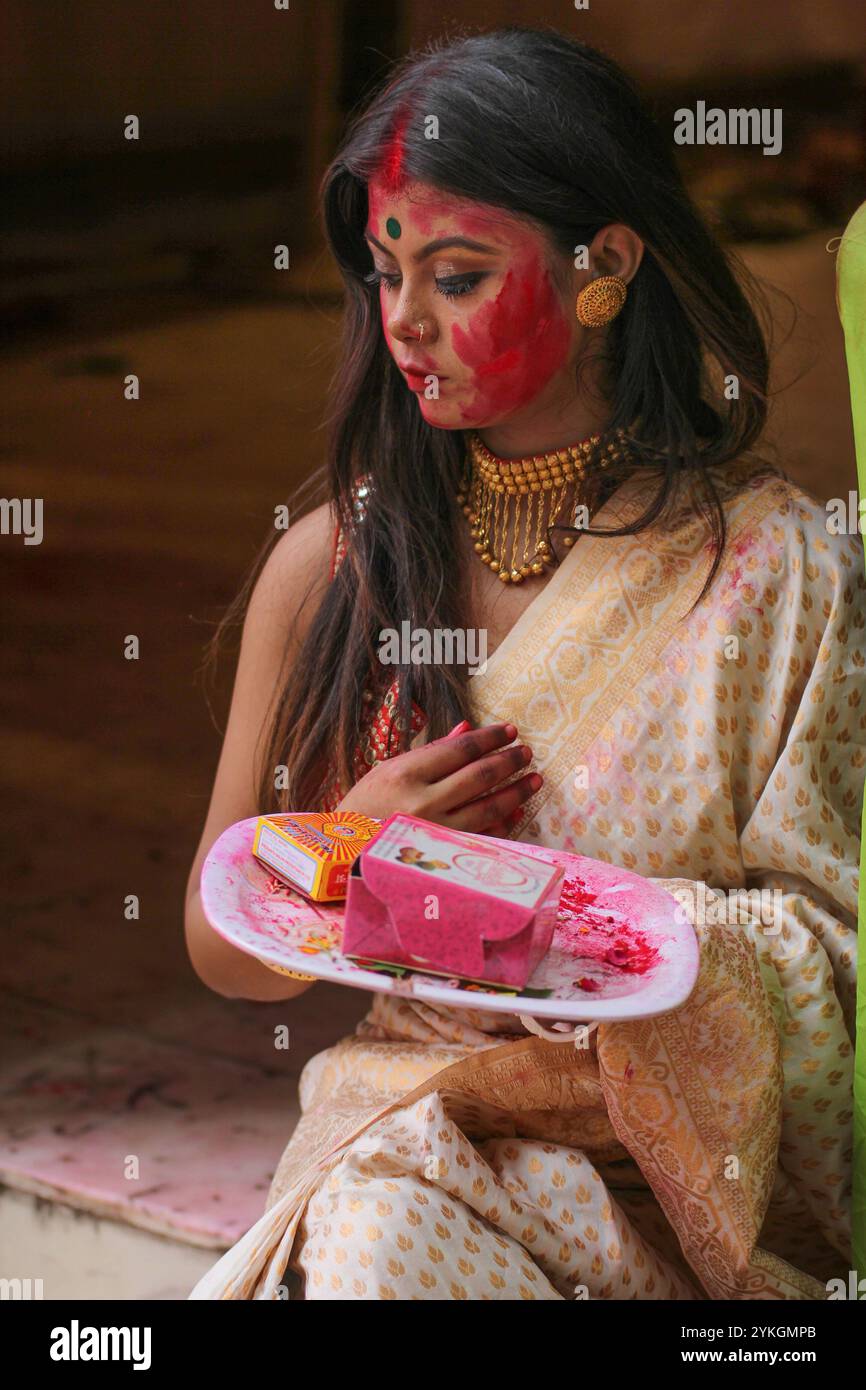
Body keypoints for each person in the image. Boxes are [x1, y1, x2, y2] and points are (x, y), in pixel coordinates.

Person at [185, 29, 863, 1299]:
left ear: (603, 269)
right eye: (384, 275)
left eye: (456, 275)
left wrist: (603, 947)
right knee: (375, 1243)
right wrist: (346, 854)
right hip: (407, 1130)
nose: (402, 323)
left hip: (673, 1186)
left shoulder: (769, 570)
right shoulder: (335, 568)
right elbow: (223, 947)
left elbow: (834, 954)